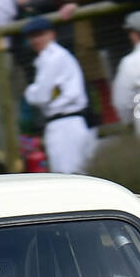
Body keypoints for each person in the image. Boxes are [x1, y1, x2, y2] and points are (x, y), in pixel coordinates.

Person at [22, 16, 96, 175]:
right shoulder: (48, 58)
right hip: (65, 123)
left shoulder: (55, 57)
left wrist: (31, 91)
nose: (36, 40)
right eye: (33, 36)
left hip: (65, 124)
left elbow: (40, 97)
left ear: (52, 34)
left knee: (68, 175)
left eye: (40, 34)